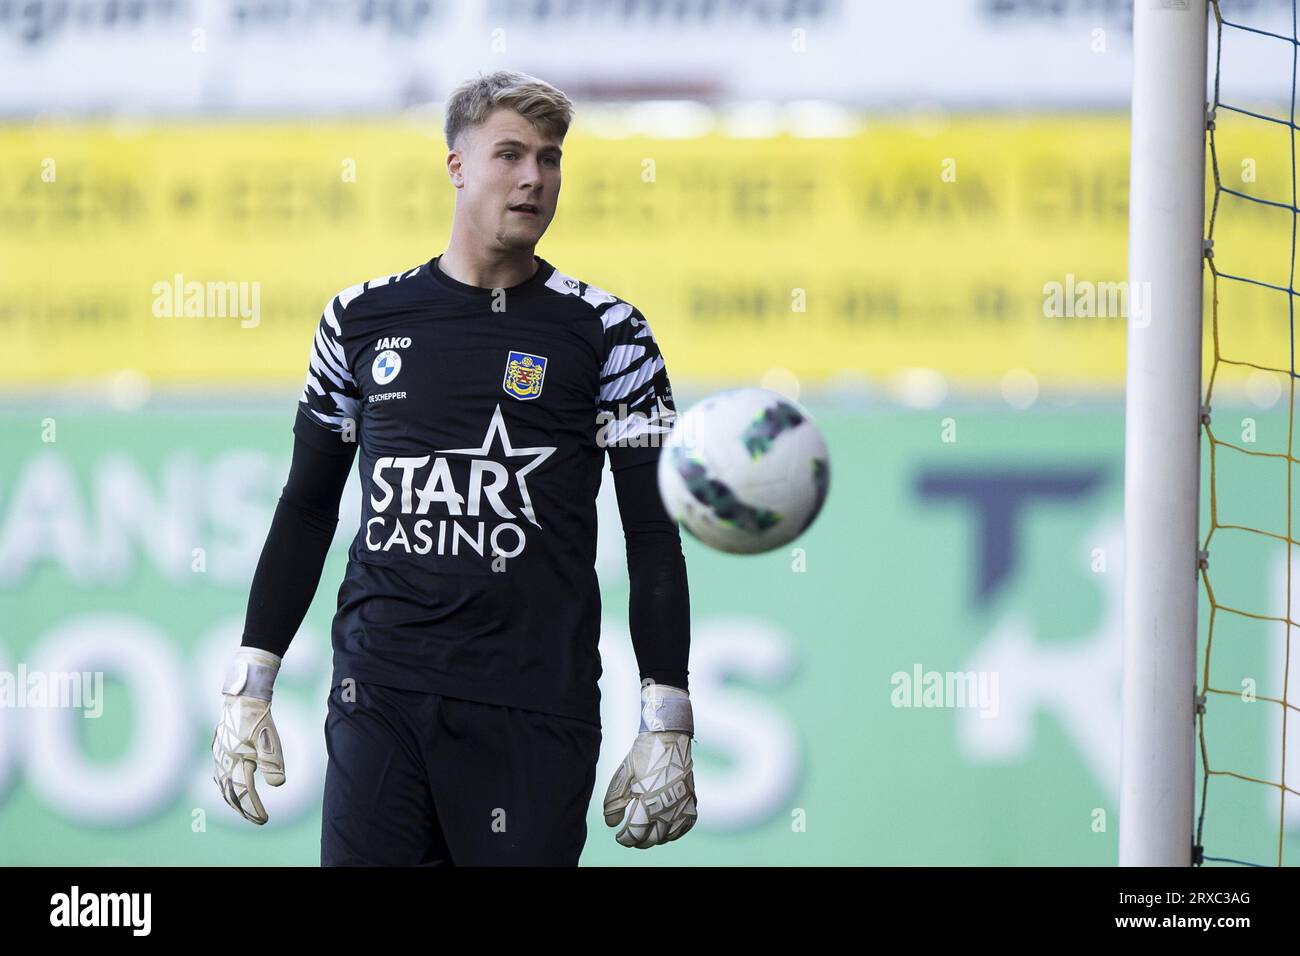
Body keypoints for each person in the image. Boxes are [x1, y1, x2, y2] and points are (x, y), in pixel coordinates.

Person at [210, 71, 696, 865]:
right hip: (380, 692)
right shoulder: (359, 318)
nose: (535, 177)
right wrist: (250, 680)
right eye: (511, 154)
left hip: (535, 707)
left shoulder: (611, 333)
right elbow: (306, 507)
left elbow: (652, 532)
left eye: (551, 158)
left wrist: (667, 713)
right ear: (456, 165)